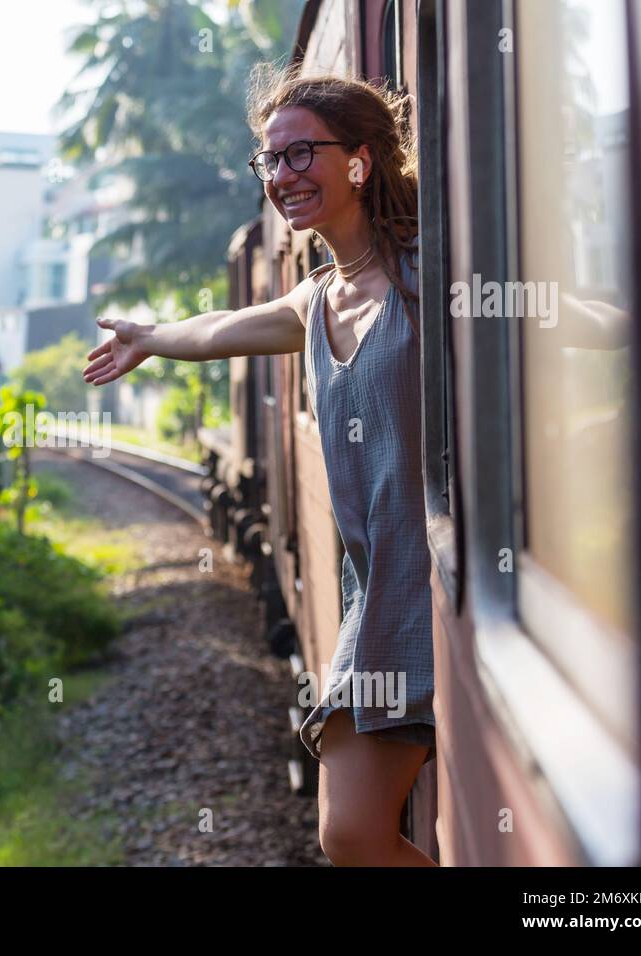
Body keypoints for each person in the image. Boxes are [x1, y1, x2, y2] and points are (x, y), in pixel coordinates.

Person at [83, 68, 435, 866]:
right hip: (375, 596)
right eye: (269, 162)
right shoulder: (318, 300)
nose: (281, 178)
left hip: (440, 582)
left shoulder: (432, 275)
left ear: (361, 160)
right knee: (351, 835)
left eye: (300, 154)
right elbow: (217, 329)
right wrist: (149, 337)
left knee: (350, 834)